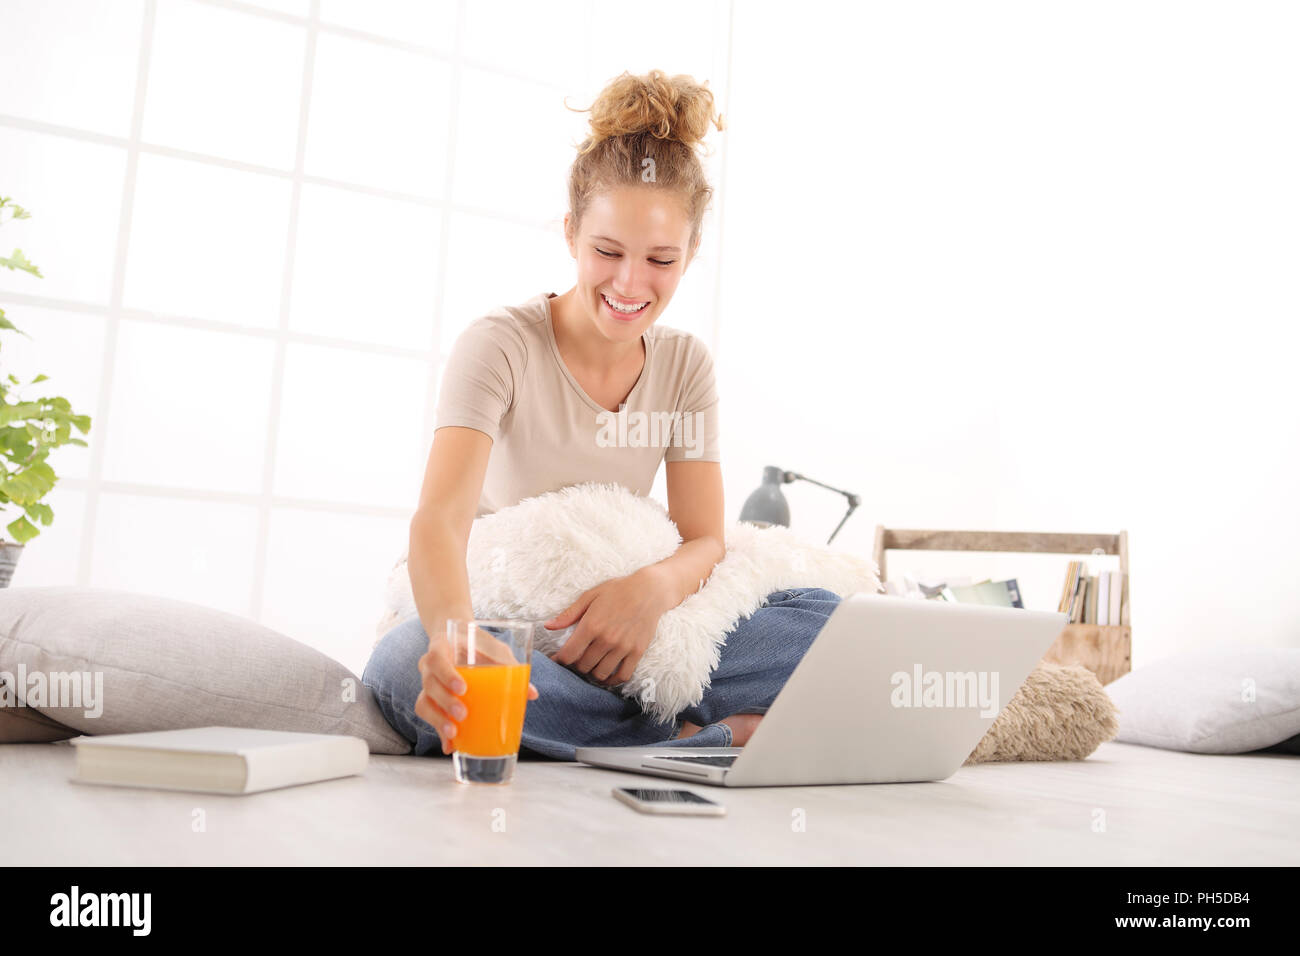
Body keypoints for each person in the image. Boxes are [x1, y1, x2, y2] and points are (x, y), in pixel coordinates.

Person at [363, 69, 842, 762]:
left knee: (827, 625)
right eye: (608, 252)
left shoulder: (685, 366)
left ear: (691, 254)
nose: (629, 284)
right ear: (570, 233)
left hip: (633, 633)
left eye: (661, 260)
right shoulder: (500, 345)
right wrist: (456, 640)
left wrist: (646, 594)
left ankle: (614, 726)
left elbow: (705, 540)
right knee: (399, 663)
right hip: (526, 629)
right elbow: (439, 521)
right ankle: (692, 738)